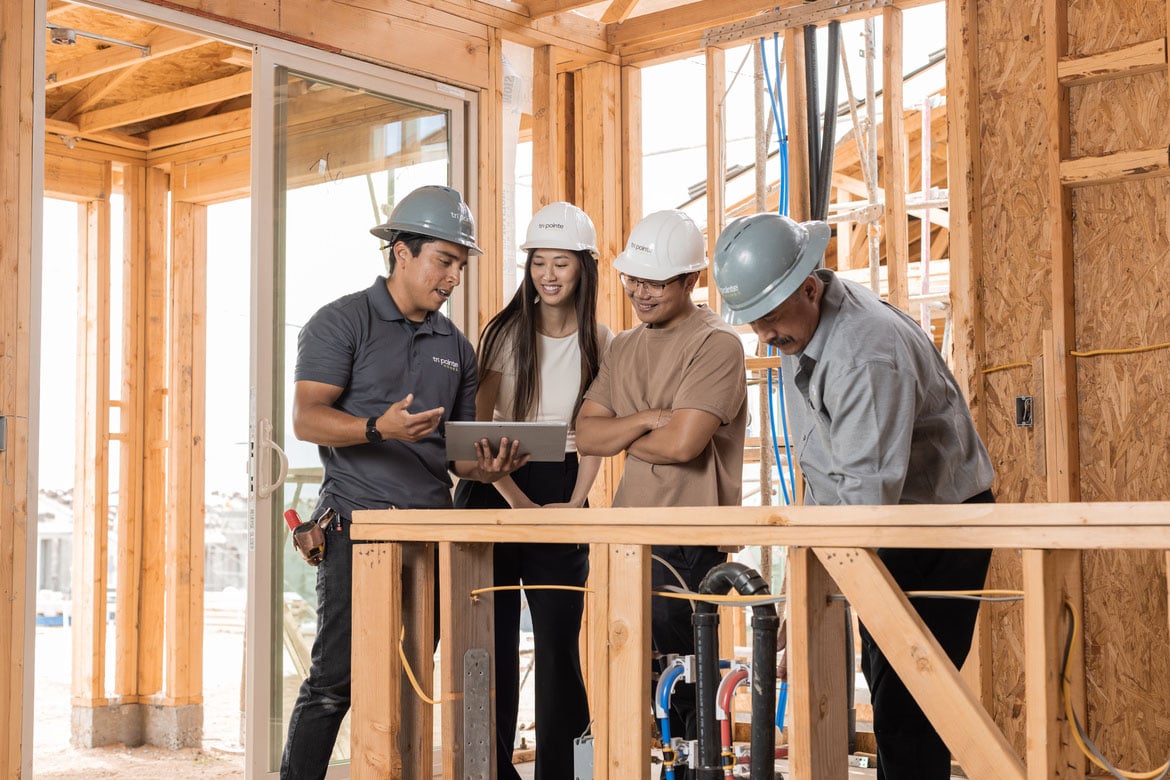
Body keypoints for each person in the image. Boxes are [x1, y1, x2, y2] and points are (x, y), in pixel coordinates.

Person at [711, 212, 996, 780]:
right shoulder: (806, 331)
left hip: (933, 530)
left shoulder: (866, 353)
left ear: (809, 288)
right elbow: (827, 477)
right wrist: (801, 589)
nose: (765, 335)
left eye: (770, 318)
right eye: (754, 323)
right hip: (884, 526)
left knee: (911, 707)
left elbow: (866, 494)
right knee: (894, 693)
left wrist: (812, 591)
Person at [282, 185, 524, 780]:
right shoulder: (341, 321)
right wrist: (376, 427)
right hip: (355, 526)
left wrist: (485, 467)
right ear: (400, 253)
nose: (453, 277)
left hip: (431, 530)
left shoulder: (457, 349)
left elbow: (458, 456)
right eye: (444, 260)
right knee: (334, 681)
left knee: (414, 676)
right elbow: (307, 417)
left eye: (461, 265)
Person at [575, 209, 748, 772]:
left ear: (690, 280)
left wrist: (623, 431)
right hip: (627, 531)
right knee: (630, 673)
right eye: (633, 278)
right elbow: (586, 434)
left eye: (655, 280)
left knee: (686, 680)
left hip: (688, 536)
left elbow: (683, 447)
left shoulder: (717, 343)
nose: (640, 291)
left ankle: (698, 770)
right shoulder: (623, 346)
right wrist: (650, 419)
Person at [453, 201, 612, 780]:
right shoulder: (502, 333)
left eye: (561, 263)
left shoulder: (603, 340)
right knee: (487, 648)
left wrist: (572, 506)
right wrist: (518, 502)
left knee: (557, 644)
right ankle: (491, 771)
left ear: (583, 269)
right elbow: (475, 430)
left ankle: (566, 773)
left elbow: (595, 433)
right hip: (497, 484)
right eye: (539, 263)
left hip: (565, 487)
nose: (548, 275)